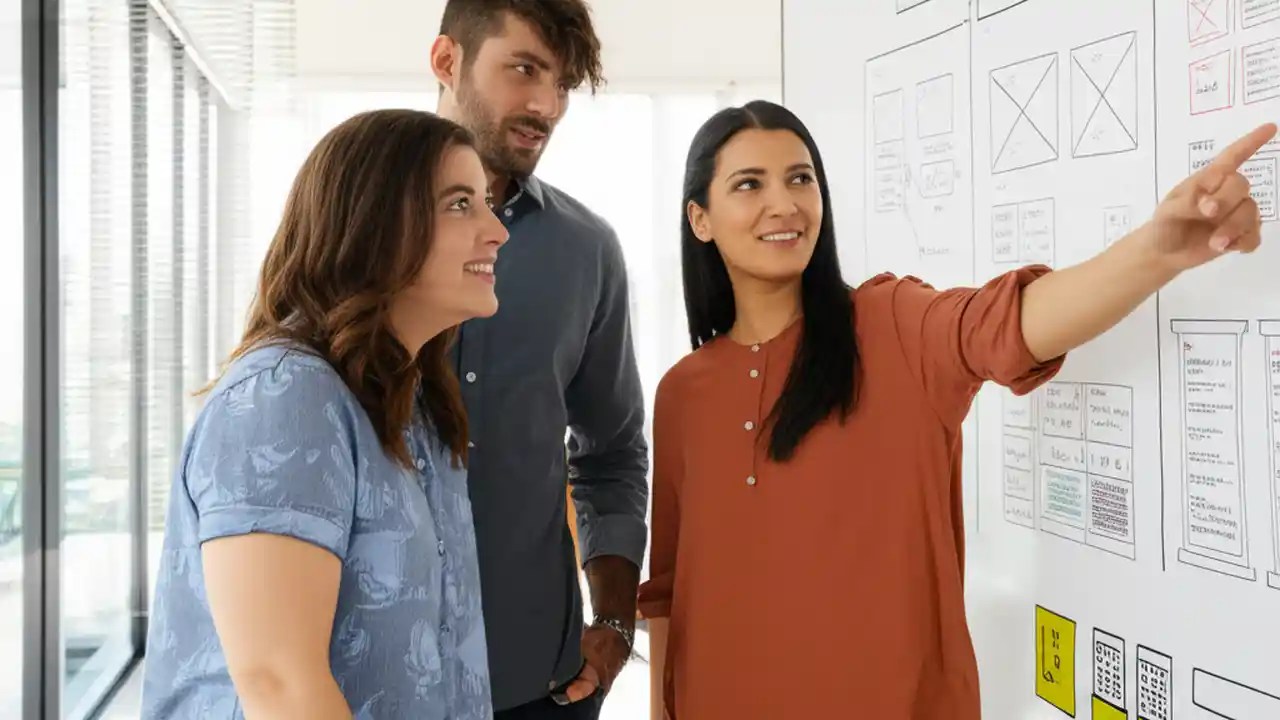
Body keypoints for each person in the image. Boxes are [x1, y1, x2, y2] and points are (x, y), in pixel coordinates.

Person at [638, 99, 1274, 719]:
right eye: (749, 184)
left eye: (800, 178)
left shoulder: (891, 325)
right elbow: (670, 590)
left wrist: (1156, 252)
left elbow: (1008, 325)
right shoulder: (682, 392)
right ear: (701, 218)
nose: (785, 203)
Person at [140, 109, 508, 719]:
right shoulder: (285, 396)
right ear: (374, 225)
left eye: (486, 201)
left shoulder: (414, 400)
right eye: (460, 203)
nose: (496, 229)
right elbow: (279, 683)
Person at [427, 1, 649, 718]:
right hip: (373, 678)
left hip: (542, 686)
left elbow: (611, 454)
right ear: (446, 61)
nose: (546, 106)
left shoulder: (587, 252)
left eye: (562, 85)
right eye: (524, 69)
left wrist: (614, 622)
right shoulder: (356, 231)